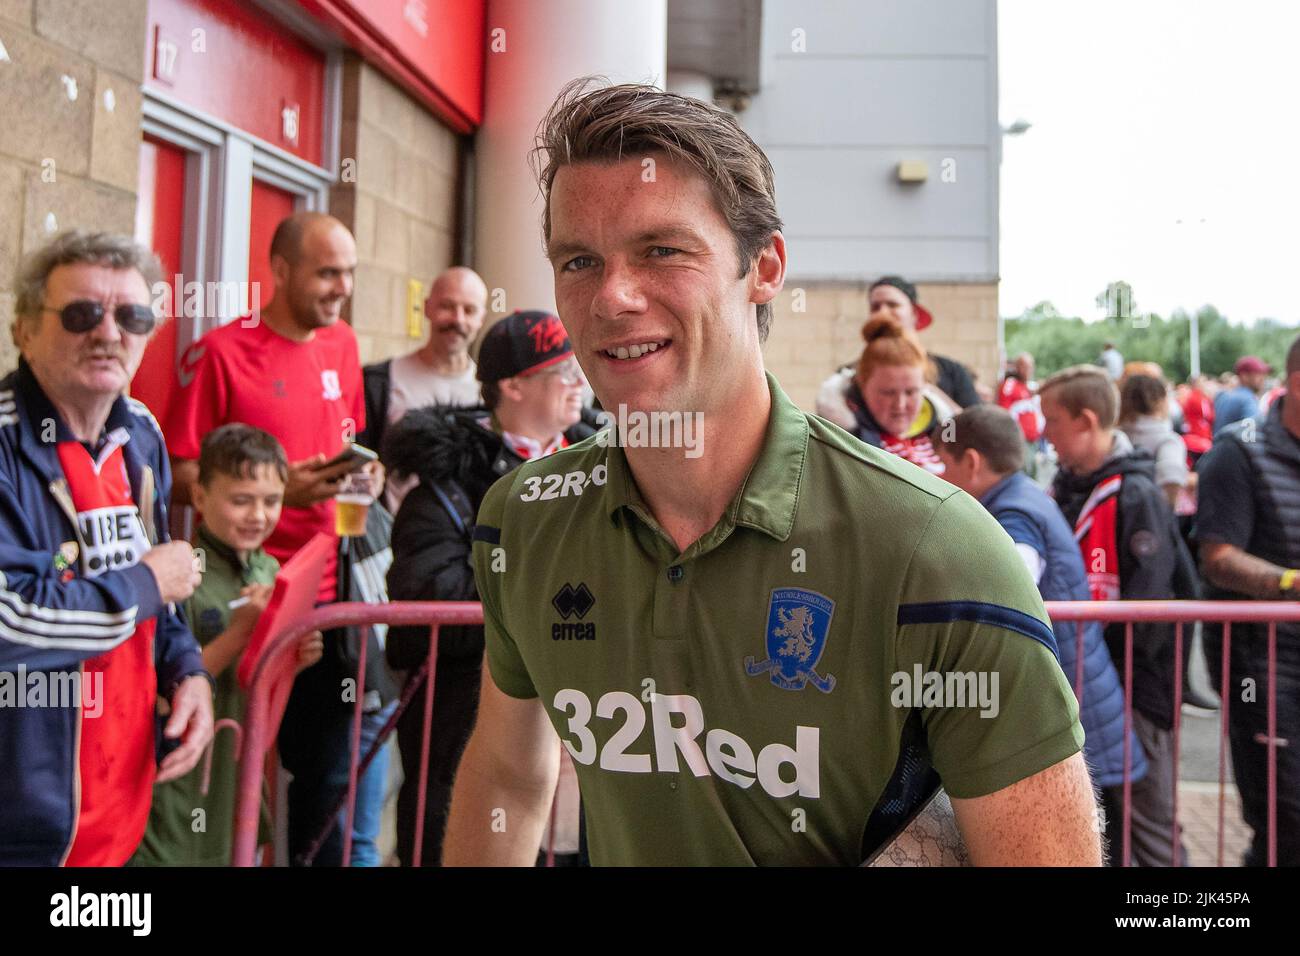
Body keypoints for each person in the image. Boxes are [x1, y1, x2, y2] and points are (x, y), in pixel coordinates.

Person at [441, 79, 1100, 867]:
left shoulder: (940, 551)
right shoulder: (525, 518)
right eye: (579, 260)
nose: (611, 296)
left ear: (764, 266)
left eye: (662, 250)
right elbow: (511, 776)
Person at [166, 211, 395, 867]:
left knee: (328, 782)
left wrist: (361, 472)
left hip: (333, 595)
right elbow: (182, 474)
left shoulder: (343, 344)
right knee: (231, 770)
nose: (341, 287)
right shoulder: (222, 352)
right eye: (328, 272)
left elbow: (343, 437)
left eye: (349, 272)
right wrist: (275, 493)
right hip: (246, 603)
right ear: (283, 269)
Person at [0, 230, 212, 865]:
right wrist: (148, 584)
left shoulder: (140, 433)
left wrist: (188, 670)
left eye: (132, 315)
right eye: (81, 313)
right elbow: (9, 623)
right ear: (24, 330)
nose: (108, 332)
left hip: (120, 802)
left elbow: (160, 583)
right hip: (22, 830)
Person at [382, 310, 594, 867]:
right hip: (464, 714)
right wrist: (553, 608)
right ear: (513, 385)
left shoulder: (609, 463)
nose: (580, 383)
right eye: (562, 370)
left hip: (586, 716)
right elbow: (426, 593)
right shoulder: (447, 479)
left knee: (570, 845)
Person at [935, 404, 1147, 860]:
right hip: (1083, 691)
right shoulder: (1023, 495)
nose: (939, 478)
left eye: (944, 465)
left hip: (1073, 700)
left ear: (971, 463)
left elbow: (1012, 574)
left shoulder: (1010, 511)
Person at [132, 424, 323, 866]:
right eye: (241, 500)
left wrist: (294, 658)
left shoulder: (271, 570)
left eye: (271, 501)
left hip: (239, 761)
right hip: (179, 769)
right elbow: (160, 694)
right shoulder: (181, 575)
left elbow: (266, 690)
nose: (257, 514)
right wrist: (240, 632)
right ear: (199, 497)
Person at [1041, 365, 1200, 866]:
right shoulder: (1069, 487)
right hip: (1093, 687)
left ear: (1086, 421)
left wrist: (1123, 684)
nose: (1044, 434)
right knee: (1103, 824)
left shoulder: (1136, 493)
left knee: (1147, 822)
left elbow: (1150, 607)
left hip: (1137, 688)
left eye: (1053, 421)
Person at [1195, 333, 1300, 866]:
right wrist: (1290, 582)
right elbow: (1218, 557)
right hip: (1264, 666)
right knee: (1285, 819)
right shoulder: (1239, 449)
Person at [360, 266, 488, 513]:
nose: (457, 319)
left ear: (481, 317)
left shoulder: (490, 392)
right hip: (390, 540)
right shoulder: (379, 381)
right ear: (427, 307)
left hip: (461, 542)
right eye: (447, 306)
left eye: (469, 310)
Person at [818, 276, 979, 413]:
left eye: (892, 305)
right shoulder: (848, 376)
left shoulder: (952, 372)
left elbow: (977, 429)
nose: (883, 312)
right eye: (876, 307)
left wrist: (934, 398)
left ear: (914, 314)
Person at [815, 317, 953, 474]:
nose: (900, 405)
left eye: (911, 392)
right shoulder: (841, 449)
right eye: (888, 393)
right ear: (862, 387)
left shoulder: (945, 440)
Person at [1118, 373, 1190, 511]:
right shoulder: (1168, 440)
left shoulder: (1114, 436)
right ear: (1160, 401)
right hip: (1150, 519)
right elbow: (1171, 483)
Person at [1213, 356, 1270, 435]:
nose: (1263, 378)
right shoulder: (1246, 398)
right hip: (1233, 446)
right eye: (1258, 374)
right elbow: (1253, 434)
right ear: (1244, 376)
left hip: (1219, 445)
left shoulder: (1223, 396)